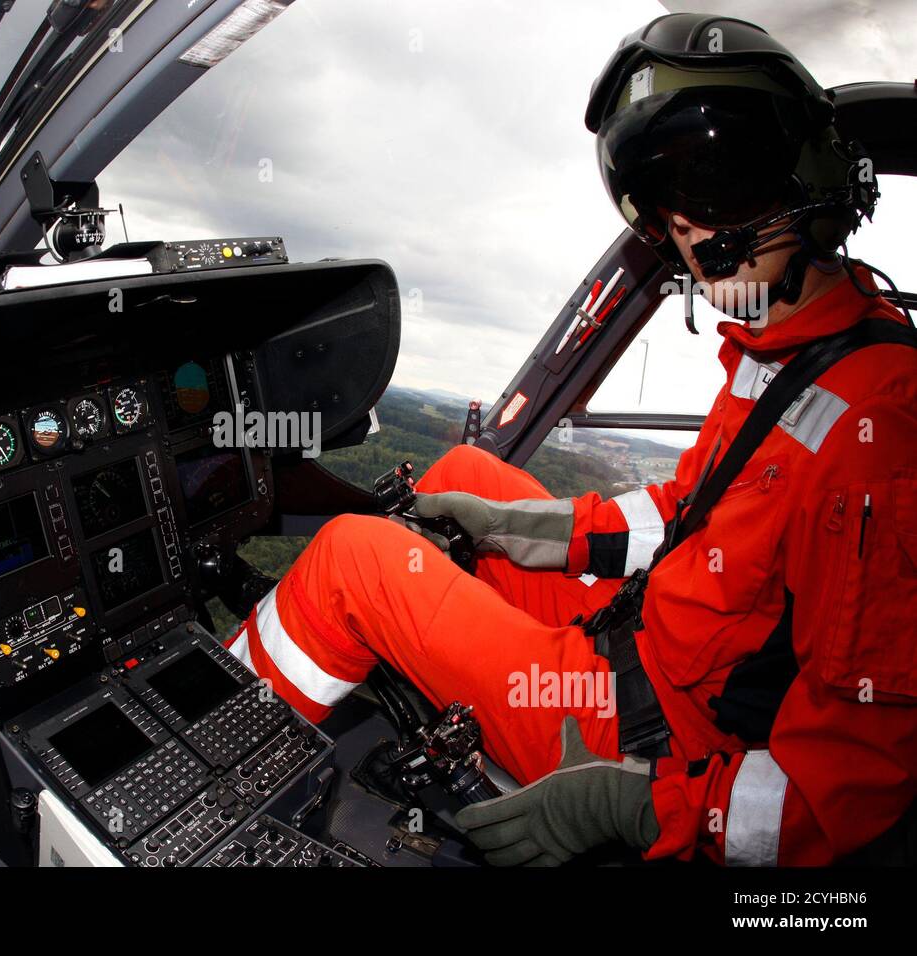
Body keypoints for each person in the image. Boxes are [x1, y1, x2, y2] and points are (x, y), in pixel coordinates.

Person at [224, 13, 917, 866]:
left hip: (652, 742)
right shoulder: (790, 354)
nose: (693, 235)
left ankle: (203, 780)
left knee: (350, 561)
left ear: (807, 175)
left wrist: (630, 808)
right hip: (644, 641)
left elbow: (846, 794)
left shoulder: (879, 433)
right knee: (467, 469)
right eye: (670, 208)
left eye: (717, 186)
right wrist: (542, 530)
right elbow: (685, 516)